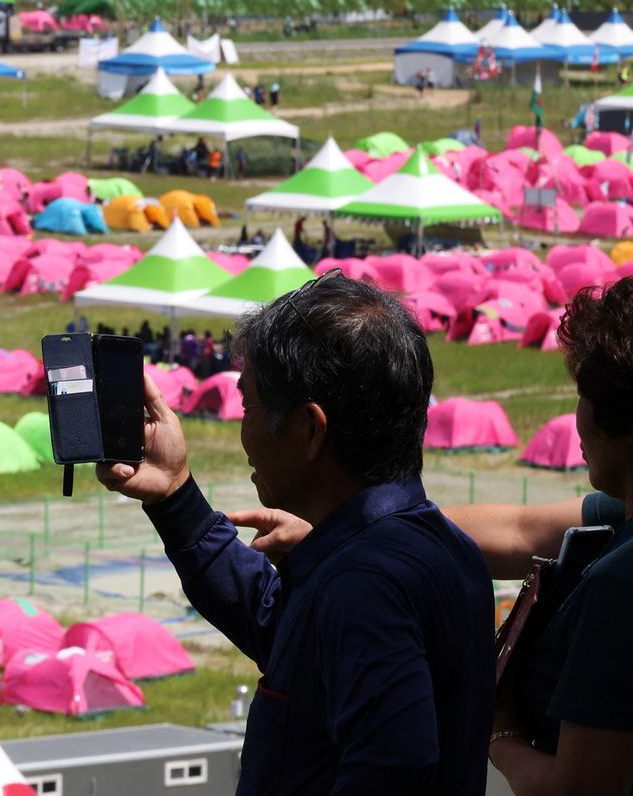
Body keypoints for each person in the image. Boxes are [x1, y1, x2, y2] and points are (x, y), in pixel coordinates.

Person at [95, 273, 493, 795]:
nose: (244, 430)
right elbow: (282, 629)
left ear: (309, 429)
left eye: (248, 406)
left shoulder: (364, 585)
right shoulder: (440, 551)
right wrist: (174, 497)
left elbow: (394, 768)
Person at [232, 278, 633, 795]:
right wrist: (343, 528)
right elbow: (516, 530)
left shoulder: (618, 585)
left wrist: (502, 727)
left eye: (583, 392)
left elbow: (579, 789)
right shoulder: (607, 522)